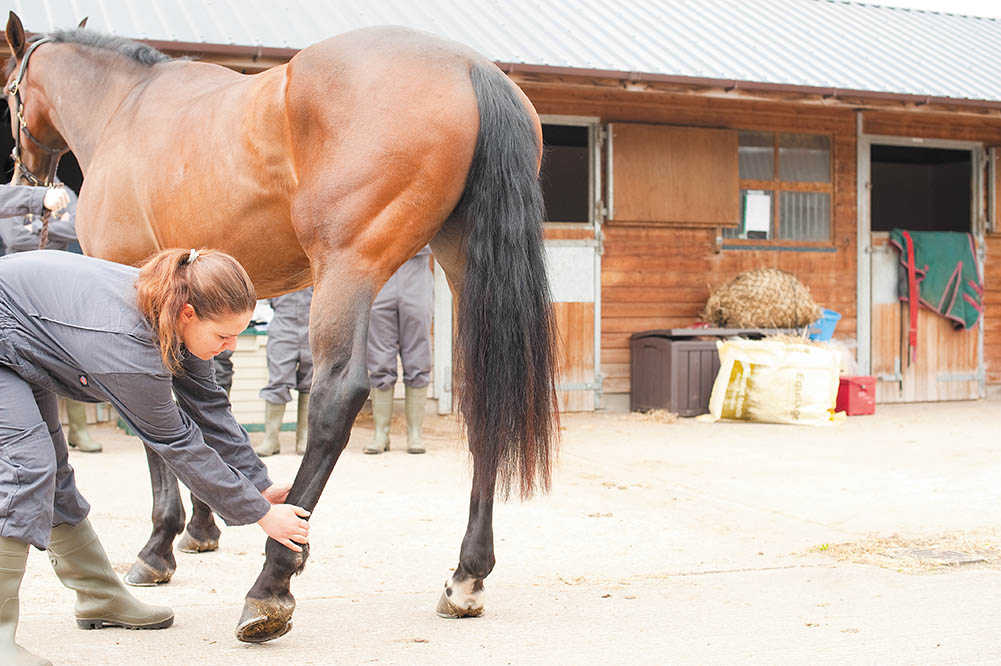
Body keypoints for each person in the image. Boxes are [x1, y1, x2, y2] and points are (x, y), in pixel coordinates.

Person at [0, 246, 310, 666]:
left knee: (51, 470)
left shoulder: (175, 318)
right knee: (27, 466)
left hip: (24, 331)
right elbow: (177, 443)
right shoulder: (129, 350)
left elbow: (210, 408)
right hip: (9, 325)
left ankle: (99, 598)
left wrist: (260, 483)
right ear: (187, 313)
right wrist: (259, 513)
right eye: (223, 336)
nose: (231, 346)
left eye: (239, 333)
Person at [0, 184, 105, 453]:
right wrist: (43, 210)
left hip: (56, 288)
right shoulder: (16, 191)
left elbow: (79, 228)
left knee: (70, 356)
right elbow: (14, 238)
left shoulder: (64, 192)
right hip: (17, 294)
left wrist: (34, 227)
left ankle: (78, 430)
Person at [365, 246, 433, 455]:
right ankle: (380, 433)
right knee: (379, 357)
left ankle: (414, 433)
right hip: (380, 269)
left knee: (418, 354)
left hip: (417, 270)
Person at [254, 288, 312, 457]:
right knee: (277, 382)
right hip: (282, 324)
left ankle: (305, 437)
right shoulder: (278, 265)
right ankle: (271, 439)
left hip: (312, 322)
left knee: (311, 383)